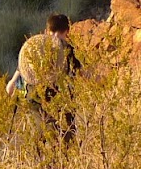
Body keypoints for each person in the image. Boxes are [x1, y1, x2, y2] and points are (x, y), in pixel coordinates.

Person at [5, 13, 83, 143]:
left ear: (47, 30)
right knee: (66, 140)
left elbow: (12, 85)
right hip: (61, 103)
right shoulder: (67, 49)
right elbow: (83, 75)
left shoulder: (35, 48)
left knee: (41, 138)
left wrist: (16, 85)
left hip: (35, 100)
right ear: (67, 31)